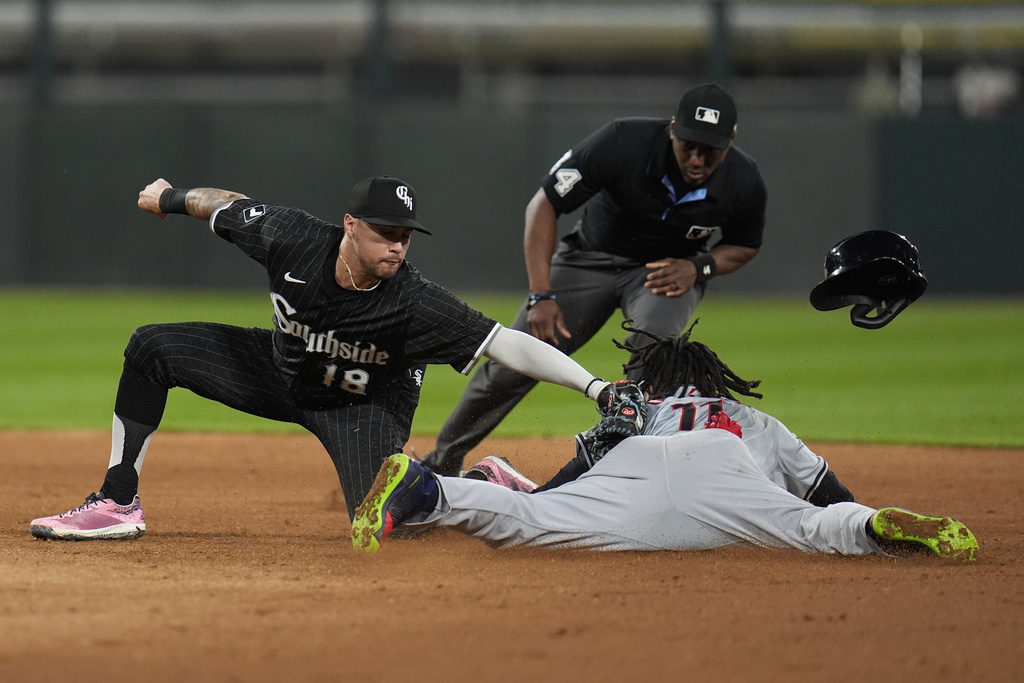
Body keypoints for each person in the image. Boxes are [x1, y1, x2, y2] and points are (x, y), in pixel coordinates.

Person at [29, 175, 631, 541]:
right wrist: (172, 197)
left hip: (362, 407)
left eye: (404, 235)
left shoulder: (415, 302)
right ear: (350, 226)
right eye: (383, 232)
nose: (396, 244)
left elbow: (505, 340)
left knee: (378, 526)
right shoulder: (291, 236)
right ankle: (116, 499)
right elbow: (227, 206)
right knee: (153, 346)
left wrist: (597, 388)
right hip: (280, 369)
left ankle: (476, 482)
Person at [350, 323, 978, 562]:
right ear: (707, 382)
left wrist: (543, 496)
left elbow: (575, 481)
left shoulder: (635, 404)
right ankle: (875, 529)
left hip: (634, 462)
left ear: (650, 379)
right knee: (817, 529)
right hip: (728, 470)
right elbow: (824, 494)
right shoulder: (754, 422)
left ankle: (425, 487)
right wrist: (851, 511)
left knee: (529, 519)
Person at [422, 83, 768, 477]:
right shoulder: (623, 141)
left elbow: (743, 245)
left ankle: (633, 473)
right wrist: (540, 294)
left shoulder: (743, 180)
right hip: (588, 259)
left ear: (732, 141)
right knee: (513, 362)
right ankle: (441, 462)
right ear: (672, 128)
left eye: (712, 149)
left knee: (654, 357)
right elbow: (545, 203)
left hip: (665, 271)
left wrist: (700, 266)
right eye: (689, 143)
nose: (698, 157)